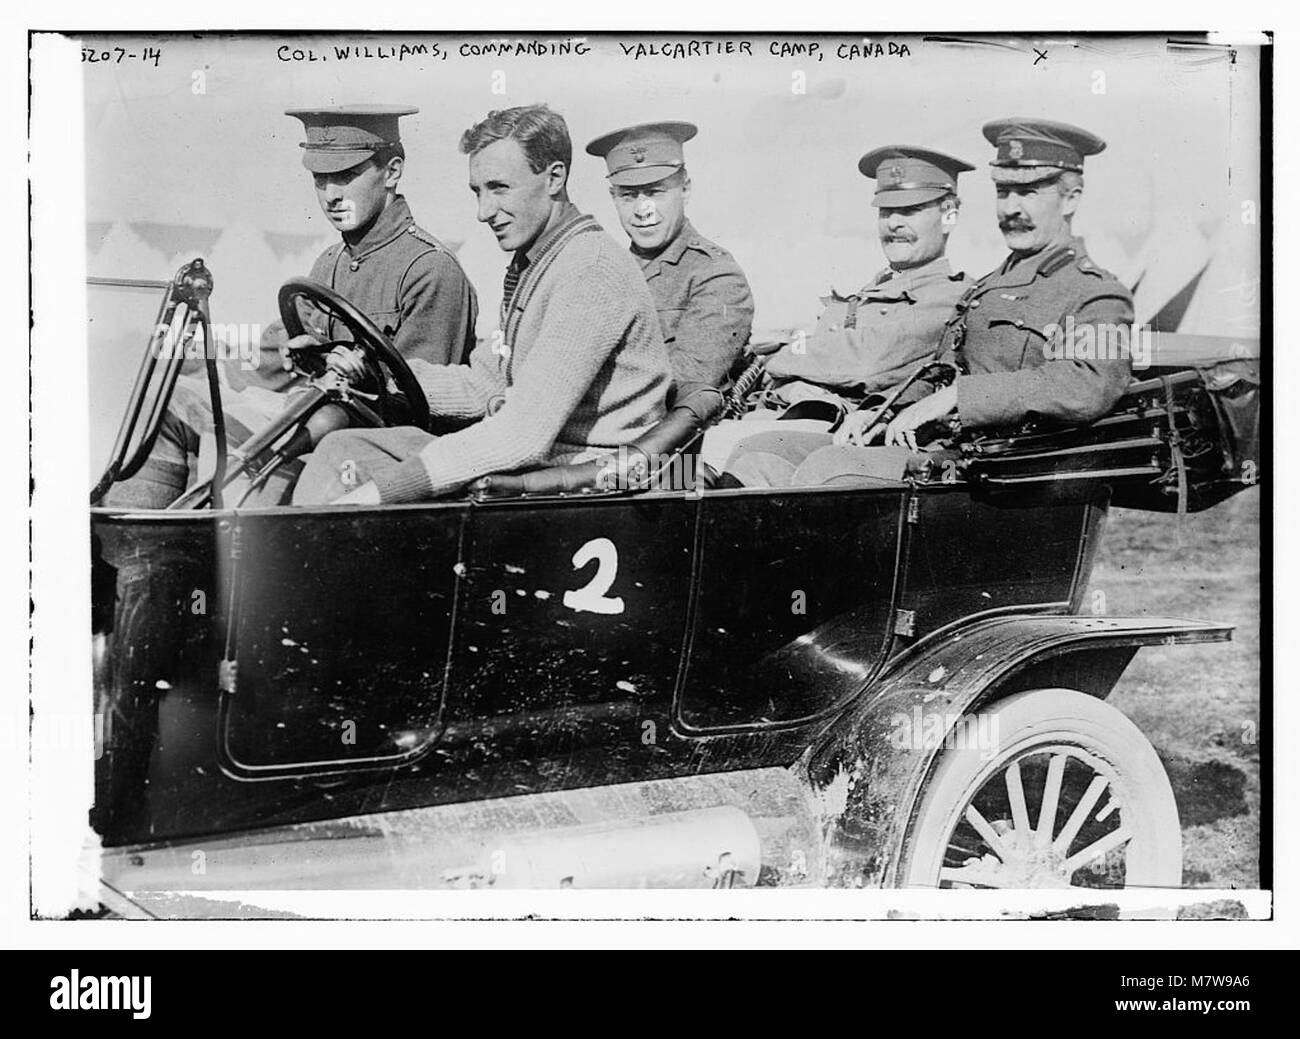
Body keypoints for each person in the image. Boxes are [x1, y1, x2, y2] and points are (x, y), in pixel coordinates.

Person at [292, 104, 672, 506]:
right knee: (342, 450)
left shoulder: (589, 270)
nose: (483, 212)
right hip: (532, 464)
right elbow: (486, 384)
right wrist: (375, 372)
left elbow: (522, 435)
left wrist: (380, 492)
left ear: (554, 177)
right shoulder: (541, 262)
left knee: (348, 474)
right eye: (478, 191)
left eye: (499, 188)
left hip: (579, 485)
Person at [726, 118, 1136, 489]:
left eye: (1028, 193)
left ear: (1070, 200)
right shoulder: (990, 289)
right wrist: (883, 413)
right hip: (942, 448)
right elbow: (939, 371)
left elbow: (1087, 384)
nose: (1011, 209)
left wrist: (962, 396)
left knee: (828, 469)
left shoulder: (1095, 294)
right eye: (1003, 191)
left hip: (1002, 466)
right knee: (763, 453)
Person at [105, 105, 478, 508]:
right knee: (171, 400)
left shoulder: (431, 270)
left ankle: (209, 554)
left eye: (347, 177)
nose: (332, 195)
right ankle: (137, 546)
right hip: (310, 419)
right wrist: (211, 360)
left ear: (391, 172)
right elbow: (281, 350)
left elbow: (420, 413)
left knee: (239, 451)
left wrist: (363, 377)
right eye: (321, 180)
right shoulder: (330, 264)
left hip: (366, 453)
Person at [706, 145, 973, 481]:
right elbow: (828, 350)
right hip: (793, 413)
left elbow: (864, 361)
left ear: (949, 216)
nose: (894, 224)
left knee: (717, 451)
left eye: (911, 210)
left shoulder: (952, 296)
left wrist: (781, 353)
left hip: (852, 429)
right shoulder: (871, 289)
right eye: (885, 211)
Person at [585, 121, 753, 402]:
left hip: (672, 438)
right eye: (628, 196)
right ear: (612, 197)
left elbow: (686, 380)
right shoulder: (605, 274)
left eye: (655, 192)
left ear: (684, 189)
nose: (643, 211)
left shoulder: (717, 275)